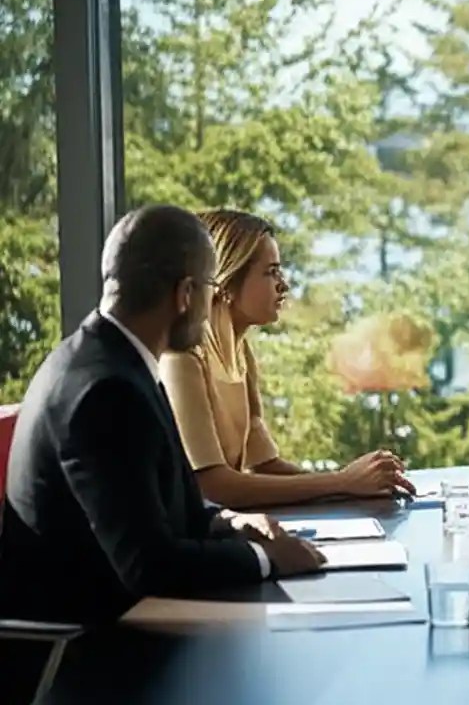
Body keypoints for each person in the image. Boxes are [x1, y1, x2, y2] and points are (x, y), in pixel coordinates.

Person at [0, 205, 324, 626]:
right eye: (210, 287)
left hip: (121, 624)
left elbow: (174, 512)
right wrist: (264, 557)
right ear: (186, 294)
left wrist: (231, 523)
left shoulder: (117, 361)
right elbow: (149, 567)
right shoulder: (106, 392)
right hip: (84, 658)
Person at [159, 209, 415, 508]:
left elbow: (265, 464)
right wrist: (343, 482)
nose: (284, 285)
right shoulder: (182, 358)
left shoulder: (241, 355)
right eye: (271, 272)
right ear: (227, 282)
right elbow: (212, 486)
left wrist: (352, 488)